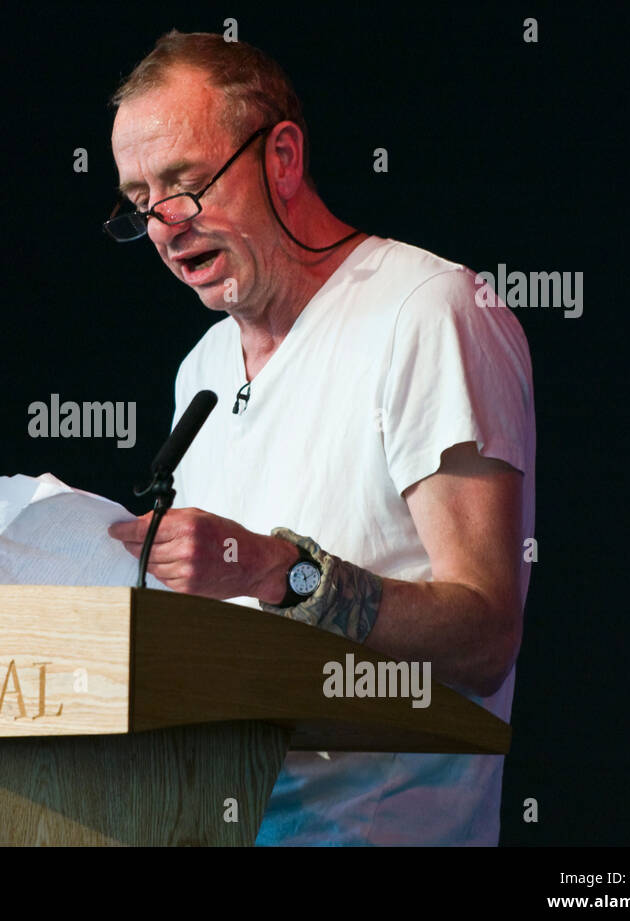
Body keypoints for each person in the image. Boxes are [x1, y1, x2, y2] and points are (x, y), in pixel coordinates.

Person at [104, 31, 536, 845]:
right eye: (137, 203)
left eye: (186, 186)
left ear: (283, 158)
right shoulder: (199, 370)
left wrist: (277, 568)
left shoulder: (427, 311)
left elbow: (485, 639)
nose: (162, 225)